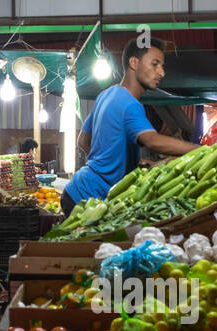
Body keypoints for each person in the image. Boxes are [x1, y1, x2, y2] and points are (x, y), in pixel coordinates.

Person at [61, 38, 195, 213]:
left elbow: (83, 140)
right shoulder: (130, 104)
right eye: (155, 65)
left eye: (162, 66)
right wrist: (200, 149)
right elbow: (152, 140)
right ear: (134, 63)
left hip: (75, 190)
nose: (161, 72)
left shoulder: (106, 94)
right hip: (89, 201)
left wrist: (112, 165)